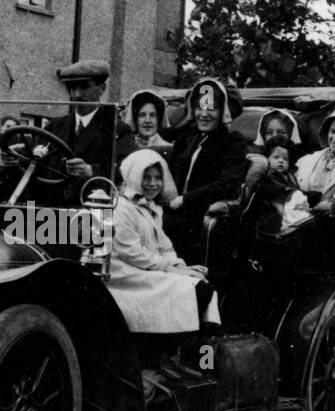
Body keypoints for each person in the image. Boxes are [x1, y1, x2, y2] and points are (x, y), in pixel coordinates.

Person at [109, 149, 220, 382]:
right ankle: (164, 353)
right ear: (133, 177)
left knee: (205, 288)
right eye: (146, 178)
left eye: (157, 178)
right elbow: (131, 252)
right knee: (195, 290)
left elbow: (164, 246)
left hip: (146, 269)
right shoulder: (121, 207)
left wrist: (181, 267)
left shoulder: (151, 208)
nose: (153, 184)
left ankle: (203, 362)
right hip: (124, 274)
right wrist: (170, 270)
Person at [162, 77, 250, 265]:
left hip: (197, 217)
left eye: (212, 108)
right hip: (172, 211)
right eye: (199, 107)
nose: (204, 114)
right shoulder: (186, 139)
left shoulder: (232, 142)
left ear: (223, 111)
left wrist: (185, 200)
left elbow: (228, 185)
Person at [35, 58, 118, 205]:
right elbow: (35, 164)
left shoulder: (115, 128)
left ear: (102, 88)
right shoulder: (55, 127)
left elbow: (125, 171)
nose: (77, 95)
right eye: (73, 88)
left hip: (92, 214)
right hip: (50, 215)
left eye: (84, 87)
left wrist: (91, 171)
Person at [114, 89, 173, 166]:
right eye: (142, 115)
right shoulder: (125, 147)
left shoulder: (168, 148)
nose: (147, 120)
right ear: (135, 119)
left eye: (152, 115)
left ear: (158, 119)